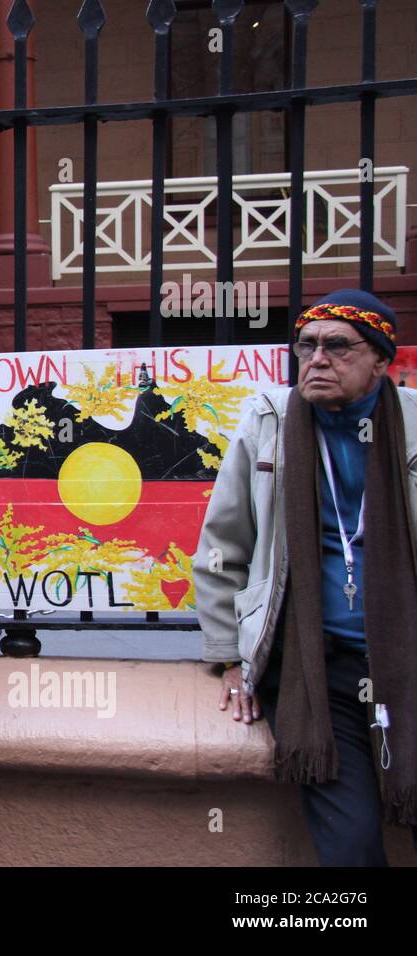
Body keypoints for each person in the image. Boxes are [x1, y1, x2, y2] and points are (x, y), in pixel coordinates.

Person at [192, 289, 417, 866]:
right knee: (352, 849)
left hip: (408, 661)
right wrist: (231, 656)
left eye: (338, 347)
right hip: (317, 670)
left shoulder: (412, 425)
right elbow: (223, 544)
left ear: (381, 360)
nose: (316, 360)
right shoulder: (270, 421)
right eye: (306, 346)